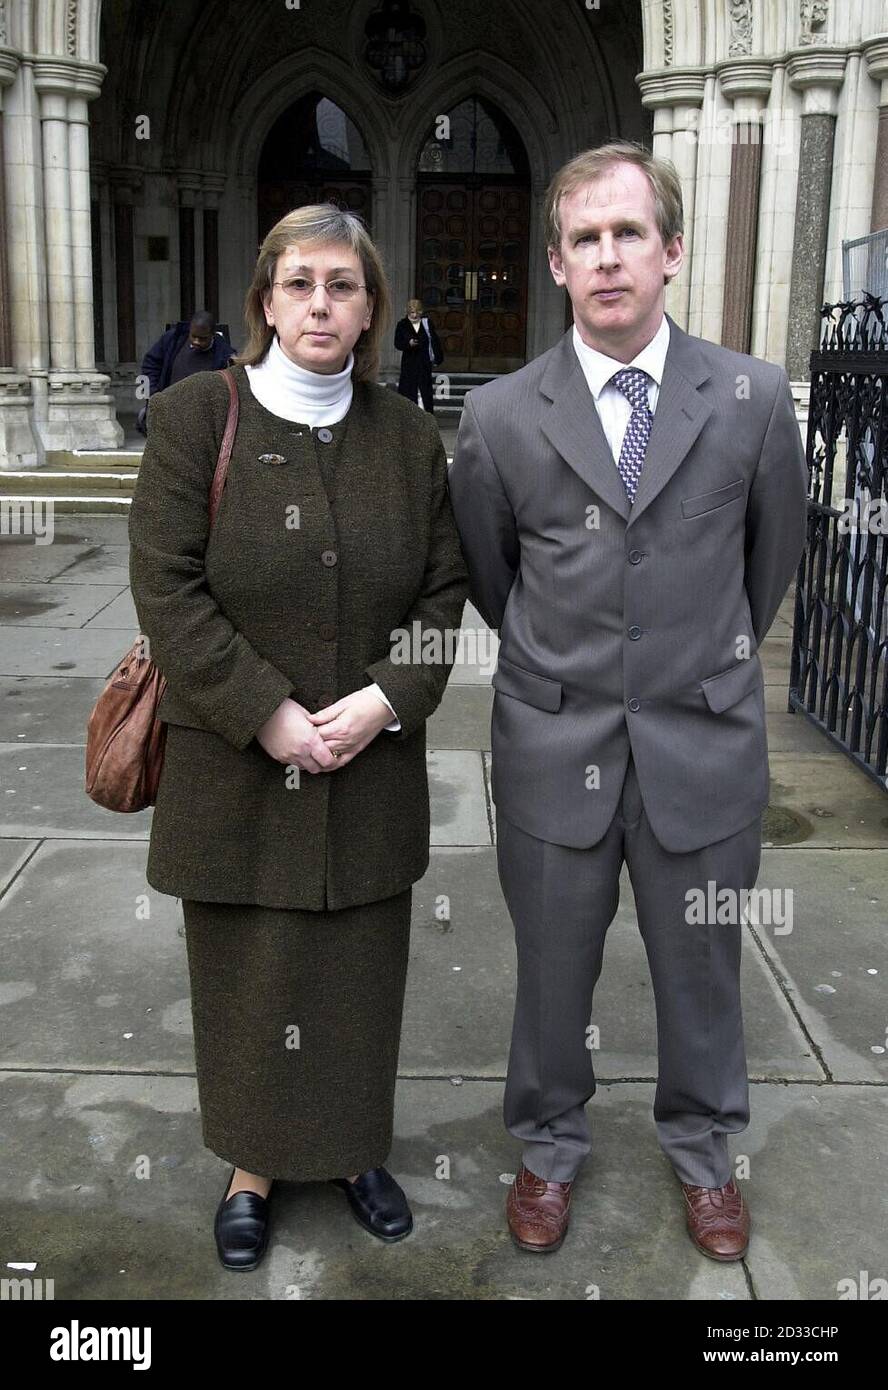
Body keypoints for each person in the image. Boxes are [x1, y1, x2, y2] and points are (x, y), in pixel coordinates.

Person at [448, 141, 808, 1261]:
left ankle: (706, 1151)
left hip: (703, 748)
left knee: (702, 967)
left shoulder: (749, 400)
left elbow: (769, 568)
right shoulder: (502, 416)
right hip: (558, 745)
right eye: (584, 239)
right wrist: (574, 676)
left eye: (629, 234)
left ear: (673, 250)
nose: (608, 258)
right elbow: (495, 580)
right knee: (554, 971)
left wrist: (689, 667)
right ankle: (549, 1144)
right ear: (556, 264)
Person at [128, 204, 469, 1271]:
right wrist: (264, 710)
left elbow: (445, 592)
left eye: (344, 285)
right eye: (299, 283)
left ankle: (354, 1147)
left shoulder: (409, 438)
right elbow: (168, 589)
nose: (321, 303)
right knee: (251, 971)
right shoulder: (196, 417)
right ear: (265, 300)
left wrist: (384, 698)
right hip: (233, 770)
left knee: (359, 967)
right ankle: (252, 1164)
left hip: (369, 770)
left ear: (372, 309)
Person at [136, 312, 235, 435]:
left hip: (201, 421)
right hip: (168, 412)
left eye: (203, 338)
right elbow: (149, 365)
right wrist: (151, 395)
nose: (196, 341)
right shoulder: (172, 340)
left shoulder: (225, 356)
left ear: (213, 335)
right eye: (193, 336)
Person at [395, 298, 443, 411]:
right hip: (409, 363)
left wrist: (437, 358)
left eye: (417, 312)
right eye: (412, 312)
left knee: (426, 391)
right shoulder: (402, 324)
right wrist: (408, 343)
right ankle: (408, 415)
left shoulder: (426, 323)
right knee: (408, 391)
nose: (415, 315)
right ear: (408, 312)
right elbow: (397, 343)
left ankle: (427, 416)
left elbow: (434, 340)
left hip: (423, 362)